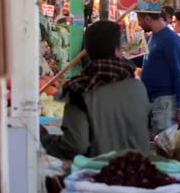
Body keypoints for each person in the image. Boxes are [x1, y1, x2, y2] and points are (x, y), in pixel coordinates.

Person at [42, 21, 150, 160]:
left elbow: (75, 145)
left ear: (88, 51)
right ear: (117, 50)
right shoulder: (138, 87)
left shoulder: (80, 90)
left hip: (98, 175)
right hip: (141, 173)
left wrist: (44, 138)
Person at [137, 11, 180, 133]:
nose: (139, 24)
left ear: (148, 19)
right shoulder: (153, 36)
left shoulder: (171, 39)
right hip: (153, 99)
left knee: (166, 143)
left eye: (140, 20)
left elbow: (178, 74)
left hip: (165, 100)